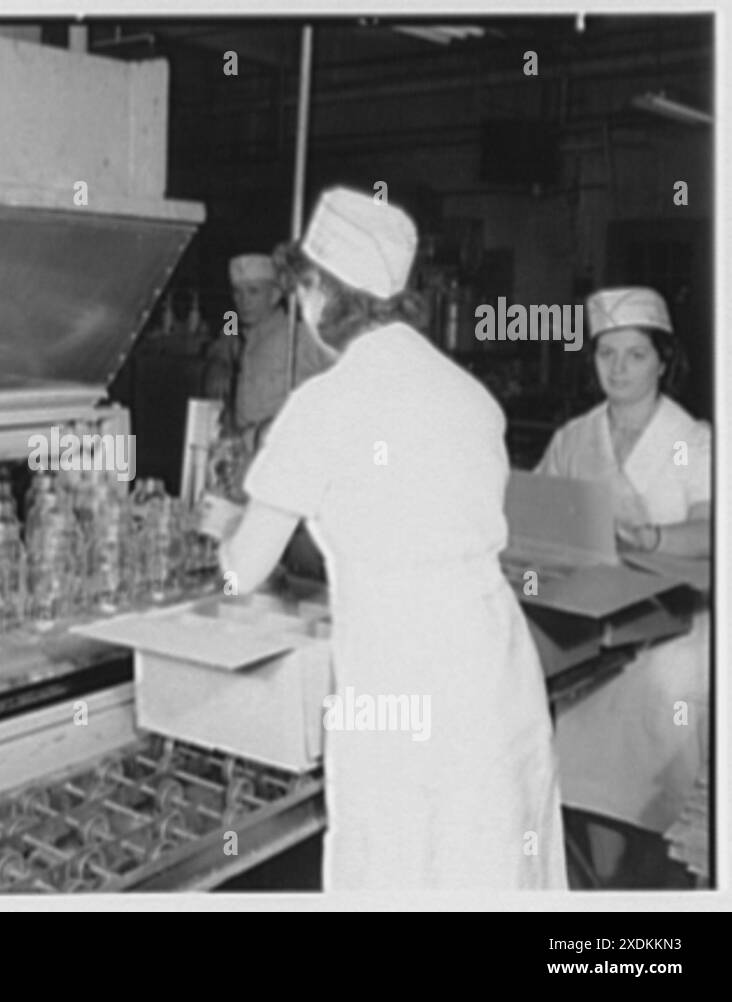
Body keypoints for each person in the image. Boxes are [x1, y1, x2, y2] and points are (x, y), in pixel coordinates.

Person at [204, 186, 566, 890]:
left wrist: (223, 532)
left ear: (317, 292)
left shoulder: (321, 405)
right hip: (493, 669)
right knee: (494, 864)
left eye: (302, 285)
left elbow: (239, 575)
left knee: (398, 869)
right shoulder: (471, 397)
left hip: (399, 675)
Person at [535, 286, 710, 887]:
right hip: (590, 632)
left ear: (663, 360)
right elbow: (539, 515)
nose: (618, 369)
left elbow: (716, 530)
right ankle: (593, 883)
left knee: (642, 777)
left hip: (672, 637)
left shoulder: (692, 441)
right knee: (569, 770)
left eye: (635, 355)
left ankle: (630, 883)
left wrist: (653, 538)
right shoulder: (575, 437)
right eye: (606, 354)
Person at [205, 253, 331, 451]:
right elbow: (223, 343)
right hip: (242, 450)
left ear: (274, 295)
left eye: (253, 292)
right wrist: (219, 362)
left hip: (283, 450)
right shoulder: (236, 327)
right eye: (238, 292)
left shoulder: (298, 335)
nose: (243, 301)